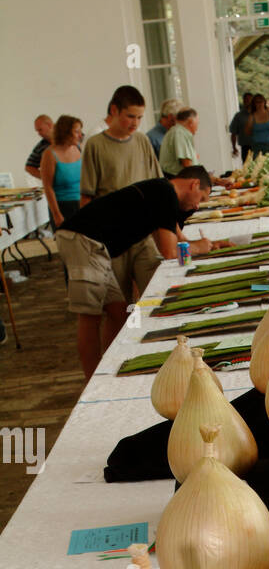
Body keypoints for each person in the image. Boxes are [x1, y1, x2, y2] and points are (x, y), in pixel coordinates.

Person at [56, 168, 215, 379]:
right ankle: (92, 380)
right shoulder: (166, 192)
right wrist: (201, 248)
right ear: (194, 184)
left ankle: (108, 367)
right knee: (89, 315)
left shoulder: (163, 192)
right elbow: (169, 252)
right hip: (83, 239)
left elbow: (179, 240)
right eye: (201, 198)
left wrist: (209, 246)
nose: (197, 206)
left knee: (118, 310)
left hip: (98, 246)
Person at [80, 84, 163, 309]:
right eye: (130, 116)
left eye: (139, 117)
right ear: (115, 111)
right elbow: (87, 197)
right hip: (112, 238)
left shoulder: (142, 141)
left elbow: (158, 187)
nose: (135, 123)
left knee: (156, 297)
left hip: (143, 235)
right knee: (118, 307)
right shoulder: (95, 145)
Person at [40, 115, 83, 230]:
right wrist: (56, 214)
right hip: (62, 206)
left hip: (81, 203)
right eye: (76, 131)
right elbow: (48, 187)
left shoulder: (78, 148)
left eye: (80, 131)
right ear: (65, 132)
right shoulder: (49, 154)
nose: (80, 135)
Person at [159, 108, 201, 176]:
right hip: (177, 179)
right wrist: (213, 179)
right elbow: (188, 167)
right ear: (191, 122)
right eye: (197, 123)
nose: (197, 127)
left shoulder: (178, 132)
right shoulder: (179, 133)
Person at [245, 95, 269, 163]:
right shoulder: (252, 117)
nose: (259, 104)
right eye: (257, 102)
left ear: (264, 102)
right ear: (254, 104)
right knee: (259, 168)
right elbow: (247, 132)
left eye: (261, 101)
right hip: (258, 147)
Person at [230, 93, 253, 161]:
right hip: (246, 147)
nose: (248, 102)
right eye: (246, 100)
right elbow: (233, 133)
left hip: (259, 146)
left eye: (249, 100)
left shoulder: (259, 114)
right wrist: (234, 147)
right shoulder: (238, 116)